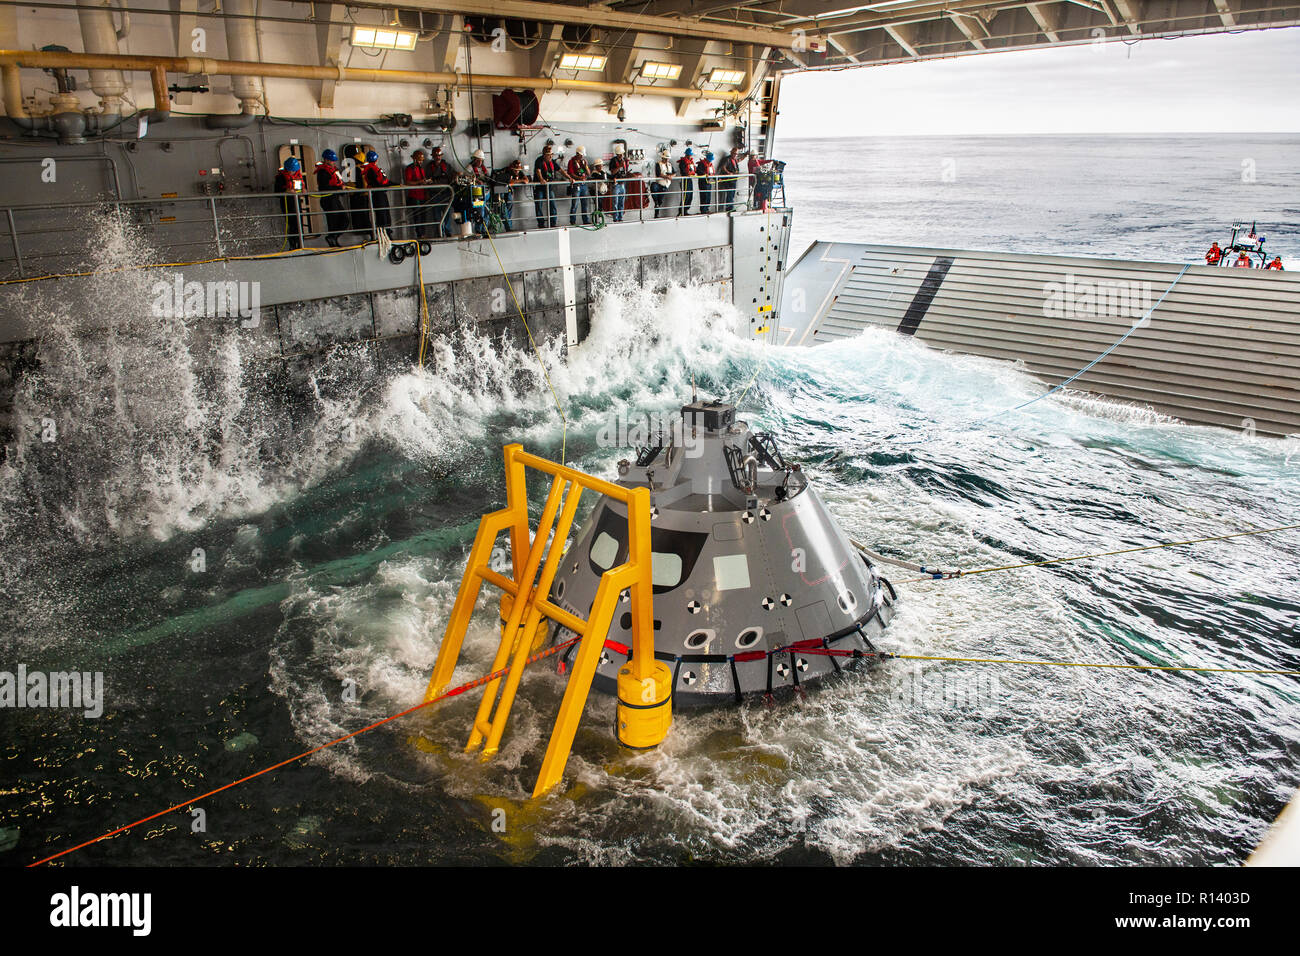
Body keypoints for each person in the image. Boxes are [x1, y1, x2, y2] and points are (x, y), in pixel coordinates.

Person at [313, 149, 347, 246]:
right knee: (333, 222)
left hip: (335, 199)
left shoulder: (334, 171)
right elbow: (325, 187)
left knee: (344, 220)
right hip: (328, 200)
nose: (333, 162)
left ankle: (333, 237)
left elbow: (338, 183)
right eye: (332, 161)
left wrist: (341, 189)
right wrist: (340, 188)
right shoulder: (322, 172)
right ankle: (333, 241)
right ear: (326, 160)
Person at [274, 156, 307, 249]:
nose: (292, 172)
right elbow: (277, 192)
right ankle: (293, 245)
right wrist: (286, 191)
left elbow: (300, 188)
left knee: (299, 223)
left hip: (297, 203)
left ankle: (300, 244)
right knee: (293, 224)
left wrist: (303, 190)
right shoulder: (281, 177)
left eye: (293, 170)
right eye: (290, 170)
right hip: (287, 203)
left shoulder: (297, 176)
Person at [533, 144, 567, 228]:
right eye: (548, 155)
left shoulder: (552, 162)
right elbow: (538, 171)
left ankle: (553, 222)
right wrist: (541, 179)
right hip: (540, 188)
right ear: (544, 155)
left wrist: (569, 178)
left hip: (549, 187)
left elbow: (560, 170)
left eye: (551, 154)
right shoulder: (539, 161)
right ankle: (541, 223)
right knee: (539, 204)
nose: (550, 156)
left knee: (552, 204)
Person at [357, 149, 391, 231]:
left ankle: (387, 232)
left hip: (380, 194)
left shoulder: (372, 169)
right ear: (376, 159)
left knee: (385, 214)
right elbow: (378, 183)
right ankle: (383, 233)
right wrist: (388, 185)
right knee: (382, 215)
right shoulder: (372, 170)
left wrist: (395, 184)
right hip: (378, 195)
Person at [403, 149, 434, 239]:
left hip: (422, 195)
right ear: (415, 159)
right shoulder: (409, 169)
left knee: (423, 215)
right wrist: (419, 182)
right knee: (417, 216)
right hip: (414, 196)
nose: (421, 162)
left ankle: (423, 233)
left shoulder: (421, 169)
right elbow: (408, 182)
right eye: (419, 160)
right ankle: (420, 234)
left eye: (421, 160)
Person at [426, 146, 455, 236]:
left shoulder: (446, 166)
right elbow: (427, 179)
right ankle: (439, 232)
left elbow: (453, 174)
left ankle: (448, 231)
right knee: (436, 215)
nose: (437, 157)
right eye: (435, 156)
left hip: (445, 193)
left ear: (441, 156)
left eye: (439, 156)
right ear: (433, 156)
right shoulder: (429, 167)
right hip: (435, 194)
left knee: (447, 215)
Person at [567, 145, 592, 225]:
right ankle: (572, 221)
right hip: (576, 185)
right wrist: (579, 178)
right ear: (577, 154)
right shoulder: (571, 162)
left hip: (583, 185)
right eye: (581, 155)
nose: (582, 156)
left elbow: (588, 173)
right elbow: (571, 173)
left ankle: (586, 220)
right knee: (575, 204)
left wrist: (585, 166)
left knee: (585, 203)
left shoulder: (583, 162)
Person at [501, 158, 528, 231]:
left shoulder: (519, 172)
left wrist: (521, 180)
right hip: (502, 191)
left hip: (509, 191)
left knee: (509, 207)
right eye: (515, 170)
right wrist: (521, 180)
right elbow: (510, 182)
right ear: (512, 169)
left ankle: (509, 226)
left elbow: (526, 180)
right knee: (504, 209)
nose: (517, 172)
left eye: (518, 170)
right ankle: (508, 226)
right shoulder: (507, 172)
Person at [718, 146, 742, 213]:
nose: (735, 155)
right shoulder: (727, 159)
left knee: (732, 194)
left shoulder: (735, 160)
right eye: (734, 153)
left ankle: (730, 207)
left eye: (736, 154)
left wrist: (745, 155)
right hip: (729, 180)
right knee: (730, 194)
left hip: (733, 180)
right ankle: (729, 208)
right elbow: (723, 167)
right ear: (731, 153)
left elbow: (739, 160)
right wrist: (728, 173)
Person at [609, 143, 630, 222]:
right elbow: (612, 172)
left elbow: (625, 171)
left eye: (622, 154)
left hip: (622, 184)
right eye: (619, 154)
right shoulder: (613, 161)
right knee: (615, 203)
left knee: (621, 202)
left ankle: (620, 217)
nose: (621, 156)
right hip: (616, 185)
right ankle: (616, 218)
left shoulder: (624, 161)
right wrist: (619, 166)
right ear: (617, 154)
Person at [651, 147, 674, 218]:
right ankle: (656, 210)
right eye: (666, 158)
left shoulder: (670, 165)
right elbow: (659, 174)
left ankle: (657, 210)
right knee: (653, 187)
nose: (667, 160)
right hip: (659, 184)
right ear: (662, 158)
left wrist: (671, 176)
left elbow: (674, 172)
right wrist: (667, 177)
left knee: (660, 200)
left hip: (665, 185)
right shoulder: (658, 164)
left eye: (668, 158)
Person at [676, 148, 696, 216]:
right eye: (690, 155)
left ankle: (686, 210)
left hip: (690, 179)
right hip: (685, 180)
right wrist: (687, 174)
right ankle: (681, 211)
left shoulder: (690, 162)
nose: (691, 156)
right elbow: (683, 170)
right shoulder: (683, 161)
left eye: (691, 155)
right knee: (685, 195)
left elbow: (693, 170)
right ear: (687, 155)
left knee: (690, 195)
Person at [696, 150, 714, 215]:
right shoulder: (701, 164)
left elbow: (712, 173)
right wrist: (705, 174)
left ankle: (707, 209)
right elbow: (698, 171)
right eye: (710, 160)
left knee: (708, 196)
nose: (710, 161)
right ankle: (703, 210)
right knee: (704, 196)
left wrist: (716, 178)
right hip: (703, 182)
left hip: (709, 182)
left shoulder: (710, 164)